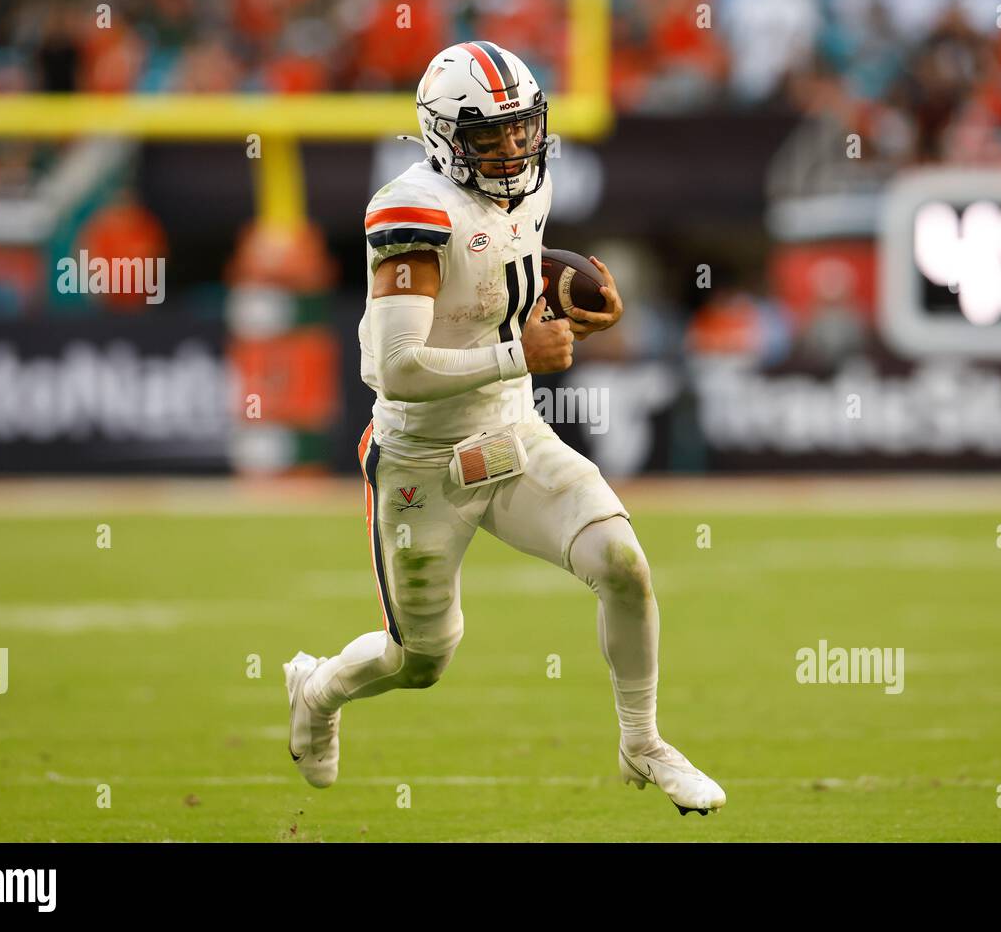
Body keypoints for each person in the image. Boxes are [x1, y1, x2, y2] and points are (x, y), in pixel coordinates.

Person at [283, 41, 725, 816]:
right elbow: (397, 367)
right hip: (425, 458)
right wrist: (519, 350)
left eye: (522, 130)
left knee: (621, 561)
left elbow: (501, 261)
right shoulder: (409, 209)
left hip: (513, 432)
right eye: (490, 137)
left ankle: (644, 741)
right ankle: (317, 693)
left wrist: (567, 290)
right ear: (443, 137)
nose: (514, 149)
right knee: (421, 659)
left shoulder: (531, 184)